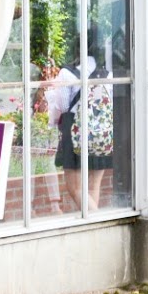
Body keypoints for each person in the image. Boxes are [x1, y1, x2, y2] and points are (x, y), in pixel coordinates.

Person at [47, 37, 114, 212]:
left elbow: (62, 106)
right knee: (92, 187)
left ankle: (98, 222)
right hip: (100, 133)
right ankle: (93, 227)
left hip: (74, 133)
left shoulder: (66, 73)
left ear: (76, 48)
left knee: (75, 187)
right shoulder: (107, 74)